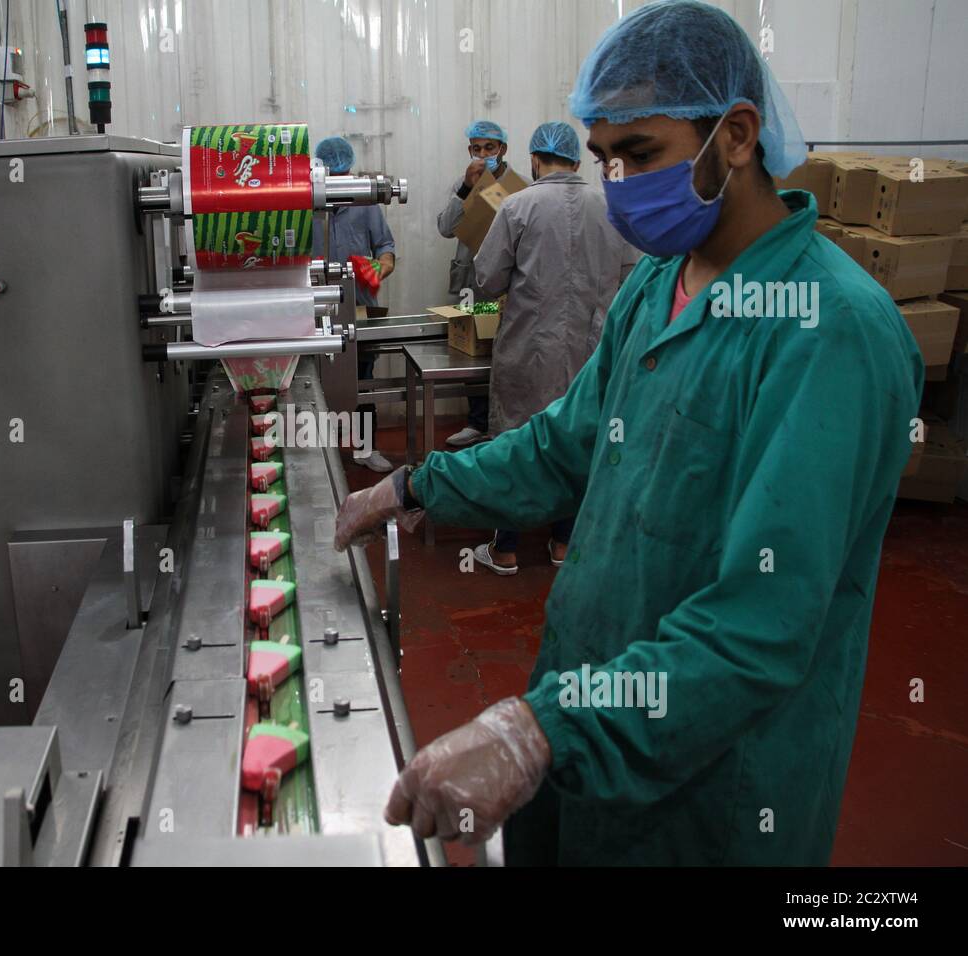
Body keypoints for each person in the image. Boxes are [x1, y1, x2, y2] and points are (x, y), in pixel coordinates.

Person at [335, 0, 922, 864]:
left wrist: (543, 733)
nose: (617, 184)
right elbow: (562, 446)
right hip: (587, 710)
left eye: (641, 155)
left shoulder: (830, 330)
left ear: (737, 134)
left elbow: (761, 623)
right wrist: (416, 485)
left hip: (709, 789)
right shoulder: (658, 285)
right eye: (604, 158)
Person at [470, 121, 638, 575]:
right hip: (591, 348)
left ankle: (505, 547)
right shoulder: (611, 207)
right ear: (578, 159)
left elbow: (485, 280)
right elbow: (631, 277)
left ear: (534, 159)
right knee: (576, 439)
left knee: (517, 443)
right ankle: (563, 542)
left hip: (529, 347)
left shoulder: (518, 206)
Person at [314, 135, 397, 473]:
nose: (338, 183)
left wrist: (379, 267)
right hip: (315, 309)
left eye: (342, 177)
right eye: (331, 179)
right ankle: (321, 451)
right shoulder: (305, 207)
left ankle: (364, 448)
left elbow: (386, 248)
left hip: (359, 307)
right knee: (315, 381)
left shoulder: (365, 204)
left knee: (362, 380)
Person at [436, 119, 513, 449]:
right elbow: (444, 227)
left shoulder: (515, 185)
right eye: (477, 148)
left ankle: (503, 423)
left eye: (489, 148)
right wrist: (467, 188)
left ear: (502, 150)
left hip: (506, 287)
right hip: (469, 283)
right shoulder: (462, 183)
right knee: (472, 352)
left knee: (505, 353)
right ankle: (476, 421)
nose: (483, 154)